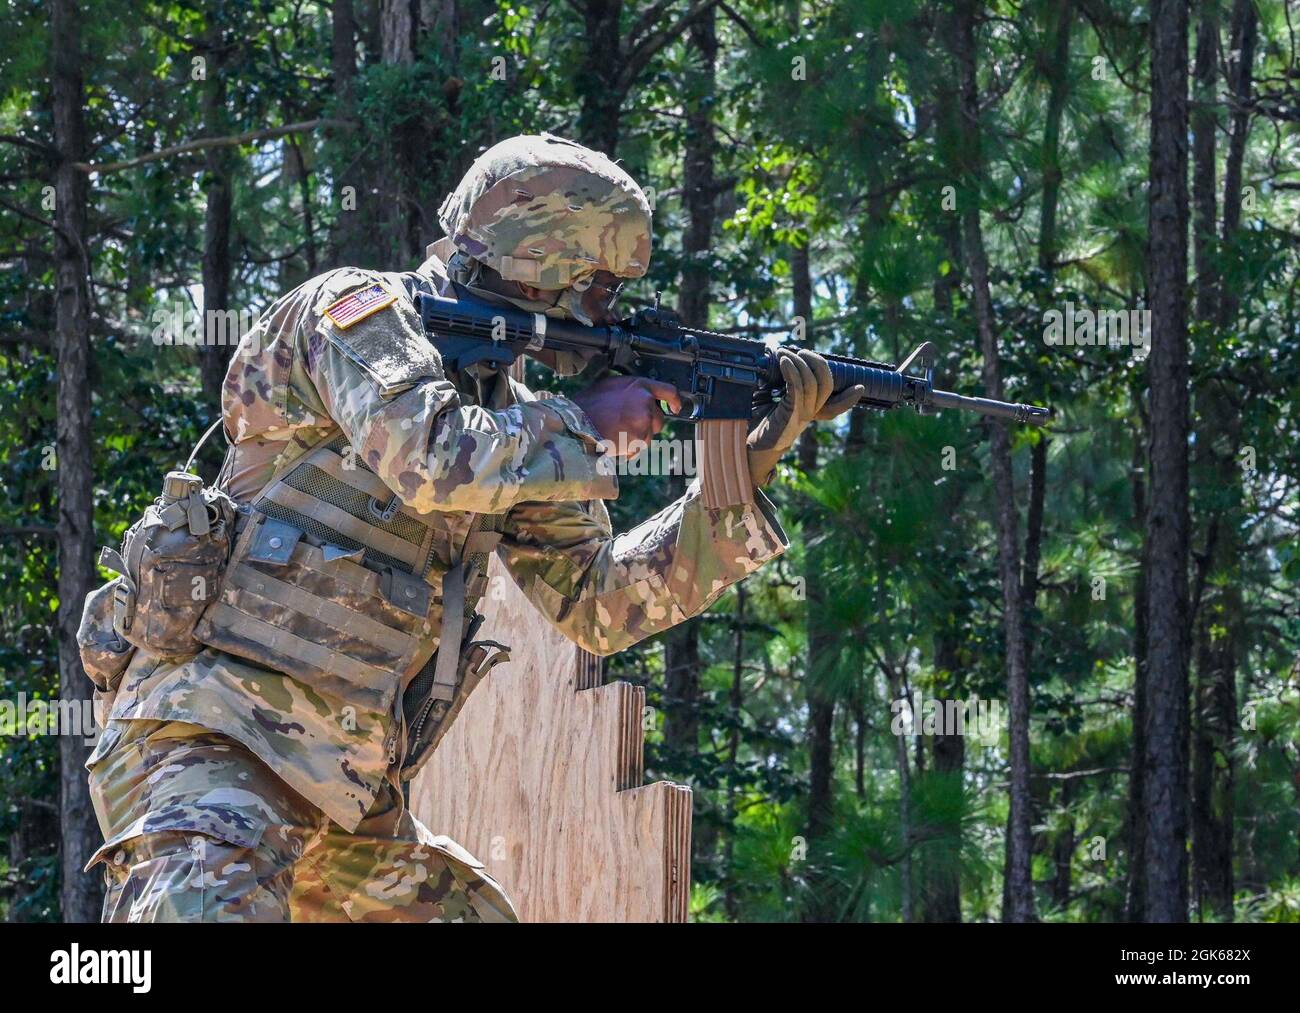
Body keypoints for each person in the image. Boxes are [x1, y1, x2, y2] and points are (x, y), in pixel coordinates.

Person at [85, 133, 861, 922]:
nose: (608, 308)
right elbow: (431, 458)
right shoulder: (357, 310)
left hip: (345, 793)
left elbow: (599, 603)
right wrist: (585, 422)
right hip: (210, 745)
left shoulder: (517, 425)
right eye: (597, 283)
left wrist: (735, 479)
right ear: (535, 257)